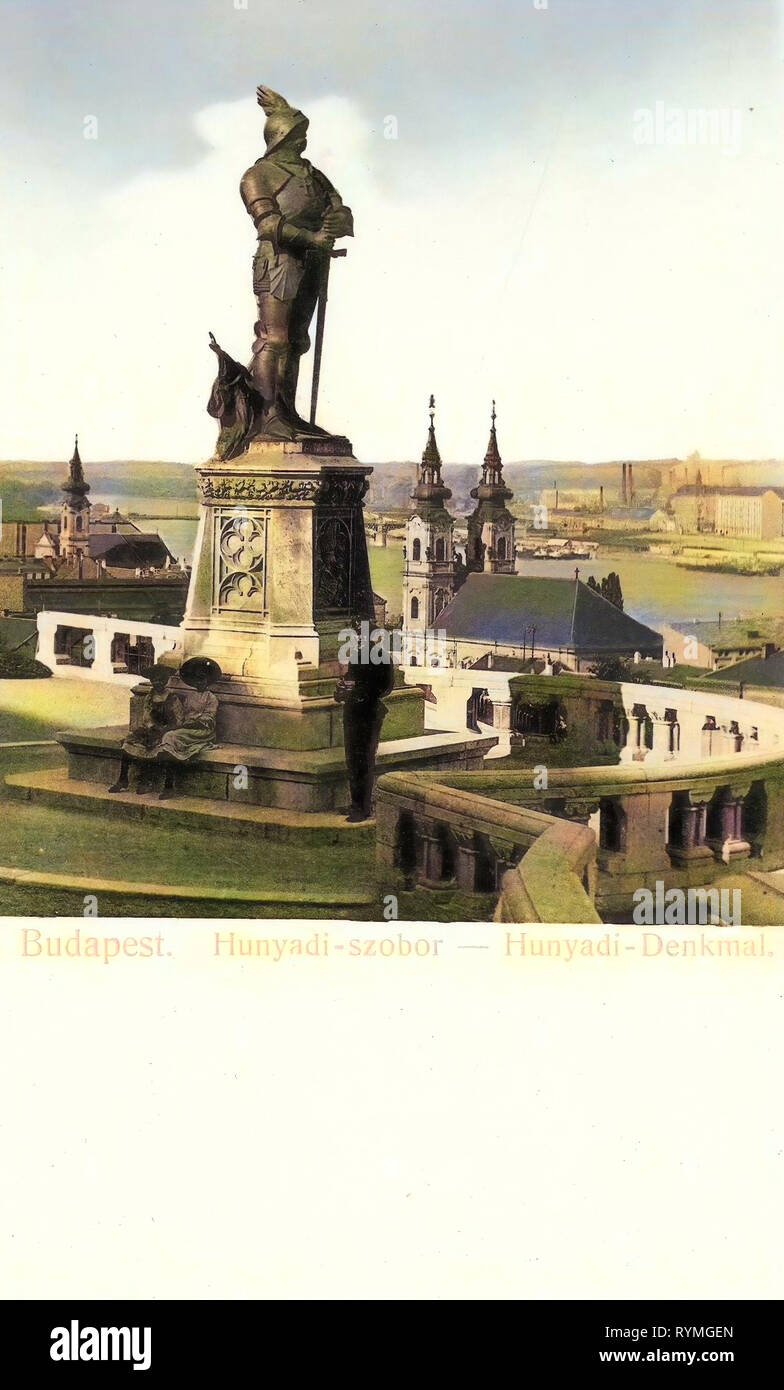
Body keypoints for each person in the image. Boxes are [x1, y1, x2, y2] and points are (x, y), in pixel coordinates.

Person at [240, 85, 354, 438]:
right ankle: (268, 416)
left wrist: (338, 221)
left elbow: (337, 206)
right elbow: (269, 223)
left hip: (313, 261)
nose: (303, 142)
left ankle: (288, 414)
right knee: (275, 338)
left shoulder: (313, 174)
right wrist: (312, 237)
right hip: (278, 262)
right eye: (297, 135)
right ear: (282, 138)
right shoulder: (257, 175)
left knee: (297, 341)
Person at [334, 641, 395, 822]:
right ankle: (357, 804)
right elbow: (346, 685)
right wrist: (342, 691)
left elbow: (385, 688)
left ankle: (362, 807)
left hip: (368, 713)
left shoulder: (381, 657)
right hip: (353, 712)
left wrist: (359, 691)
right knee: (353, 760)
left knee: (363, 760)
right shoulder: (356, 656)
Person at [155, 658, 222, 800]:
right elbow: (183, 715)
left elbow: (209, 720)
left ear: (208, 680)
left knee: (171, 737)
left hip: (202, 731)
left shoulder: (211, 698)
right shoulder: (190, 696)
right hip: (187, 728)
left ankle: (169, 786)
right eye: (197, 679)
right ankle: (168, 784)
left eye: (203, 679)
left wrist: (187, 725)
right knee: (169, 736)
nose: (200, 682)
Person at [109, 664, 177, 795]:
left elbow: (179, 719)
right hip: (151, 728)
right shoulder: (149, 698)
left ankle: (148, 781)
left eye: (161, 679)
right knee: (129, 743)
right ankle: (123, 779)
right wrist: (151, 726)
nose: (158, 683)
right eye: (155, 680)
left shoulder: (172, 698)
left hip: (167, 729)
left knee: (160, 748)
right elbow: (146, 716)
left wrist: (164, 728)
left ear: (166, 681)